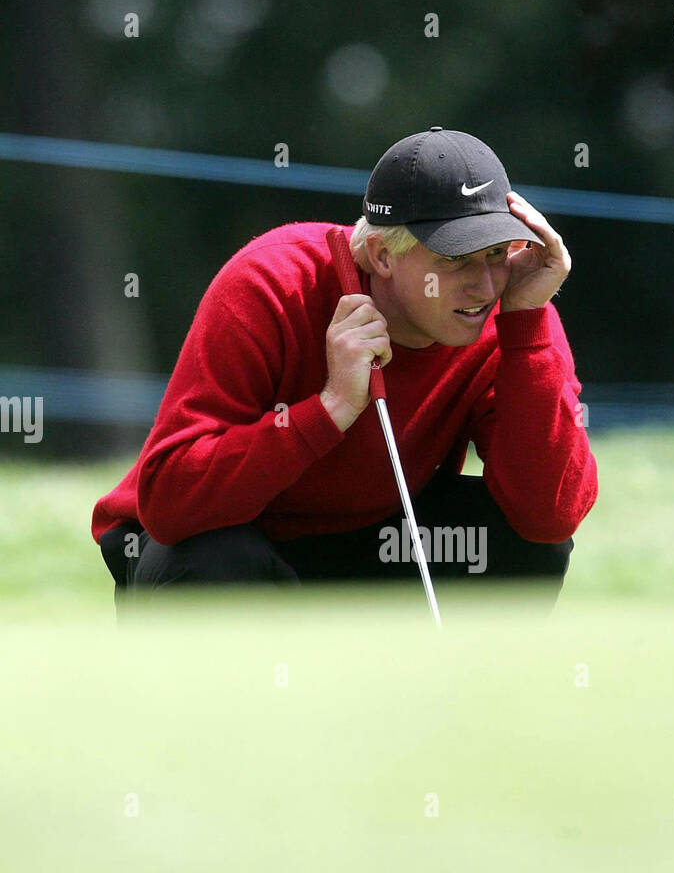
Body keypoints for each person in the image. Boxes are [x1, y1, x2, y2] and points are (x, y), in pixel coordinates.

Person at [92, 127, 598, 611]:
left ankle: (440, 697)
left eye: (495, 254)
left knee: (523, 545)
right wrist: (329, 409)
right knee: (212, 562)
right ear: (381, 254)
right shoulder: (271, 280)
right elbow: (168, 504)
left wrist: (528, 324)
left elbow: (550, 517)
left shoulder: (510, 314)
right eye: (455, 259)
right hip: (226, 539)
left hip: (371, 539)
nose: (485, 286)